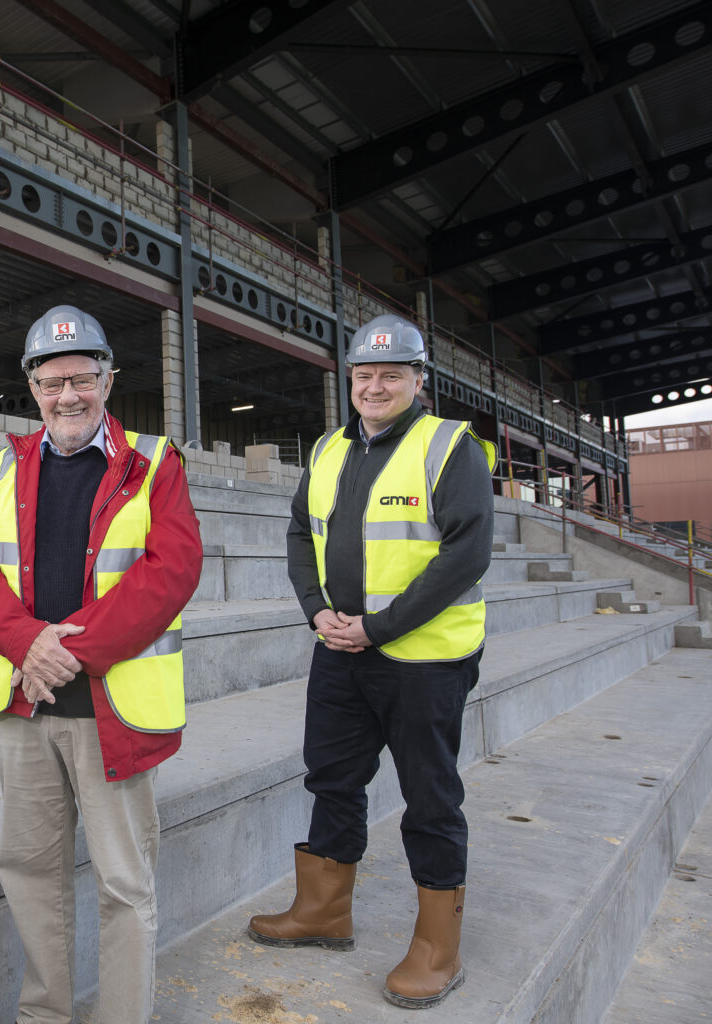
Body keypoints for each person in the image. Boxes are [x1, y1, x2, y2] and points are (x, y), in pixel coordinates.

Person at [0, 305, 202, 1024]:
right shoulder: (8, 464)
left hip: (109, 711)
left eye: (83, 379)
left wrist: (67, 652)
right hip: (25, 704)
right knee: (31, 874)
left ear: (109, 380)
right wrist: (26, 644)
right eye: (53, 381)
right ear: (32, 387)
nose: (69, 396)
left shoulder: (154, 463)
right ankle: (45, 1016)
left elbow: (170, 571)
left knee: (125, 882)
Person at [249, 314, 496, 1009]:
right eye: (364, 375)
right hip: (339, 652)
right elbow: (301, 532)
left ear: (419, 380)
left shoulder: (449, 448)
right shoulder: (329, 449)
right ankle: (323, 912)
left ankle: (437, 949)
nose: (376, 385)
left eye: (392, 374)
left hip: (423, 660)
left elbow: (466, 553)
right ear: (348, 381)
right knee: (332, 778)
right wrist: (316, 610)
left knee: (431, 797)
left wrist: (379, 628)